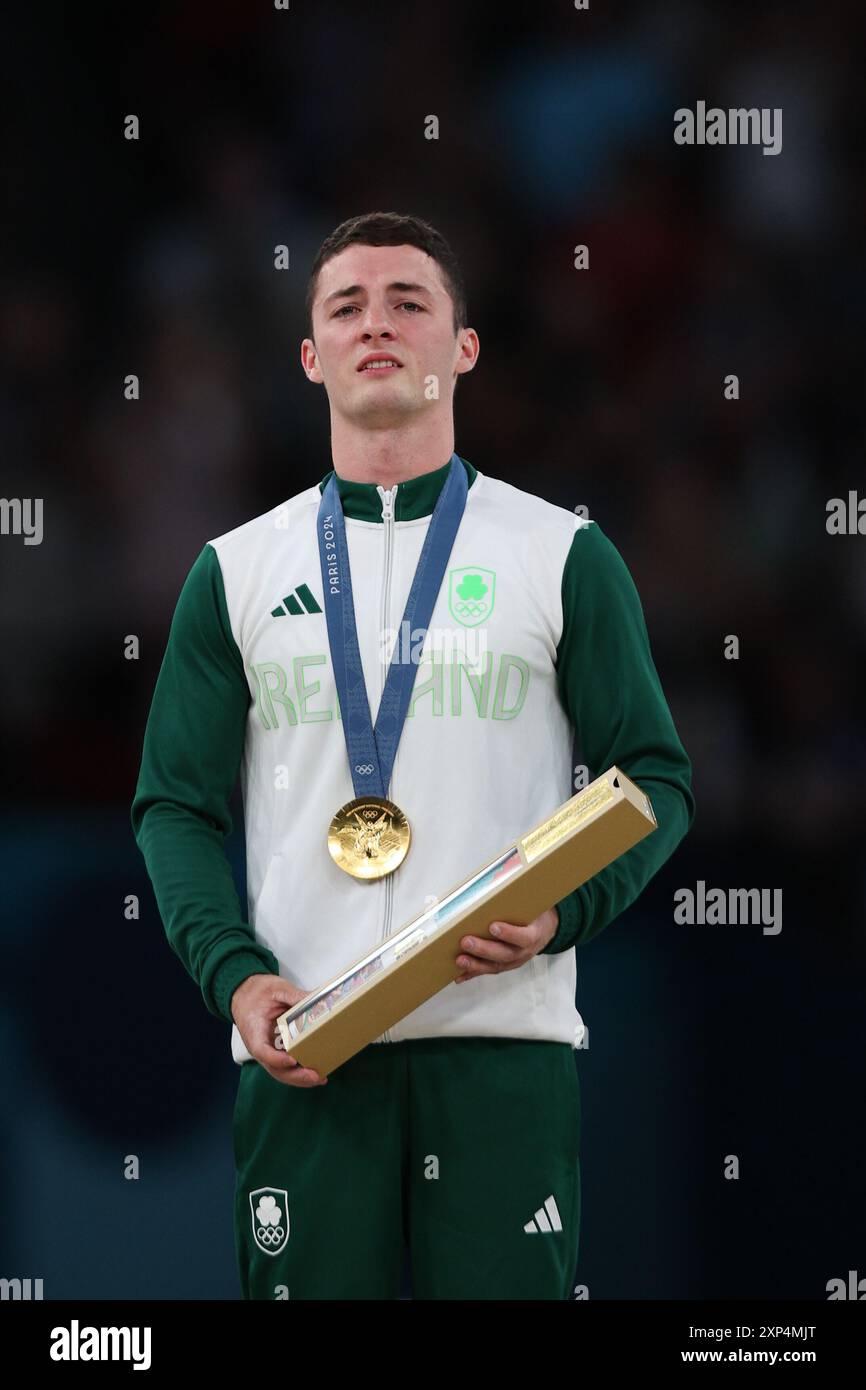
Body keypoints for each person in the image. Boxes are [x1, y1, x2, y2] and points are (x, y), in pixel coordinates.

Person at [131, 210, 695, 1300]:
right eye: (345, 306)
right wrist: (235, 979)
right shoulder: (236, 571)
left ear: (462, 347)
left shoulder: (559, 554)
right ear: (309, 356)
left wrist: (559, 915)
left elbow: (654, 779)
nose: (375, 324)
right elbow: (174, 808)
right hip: (306, 1052)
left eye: (408, 302)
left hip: (500, 1047)